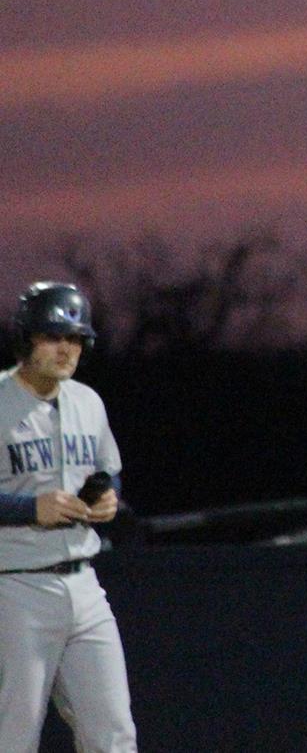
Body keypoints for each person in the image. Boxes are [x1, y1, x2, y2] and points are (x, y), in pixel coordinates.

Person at [0, 282, 137, 753]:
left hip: (84, 586)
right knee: (12, 737)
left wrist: (108, 500)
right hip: (14, 588)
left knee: (114, 736)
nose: (66, 349)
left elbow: (107, 471)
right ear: (27, 340)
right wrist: (26, 509)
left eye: (76, 339)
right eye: (54, 336)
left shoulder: (87, 402)